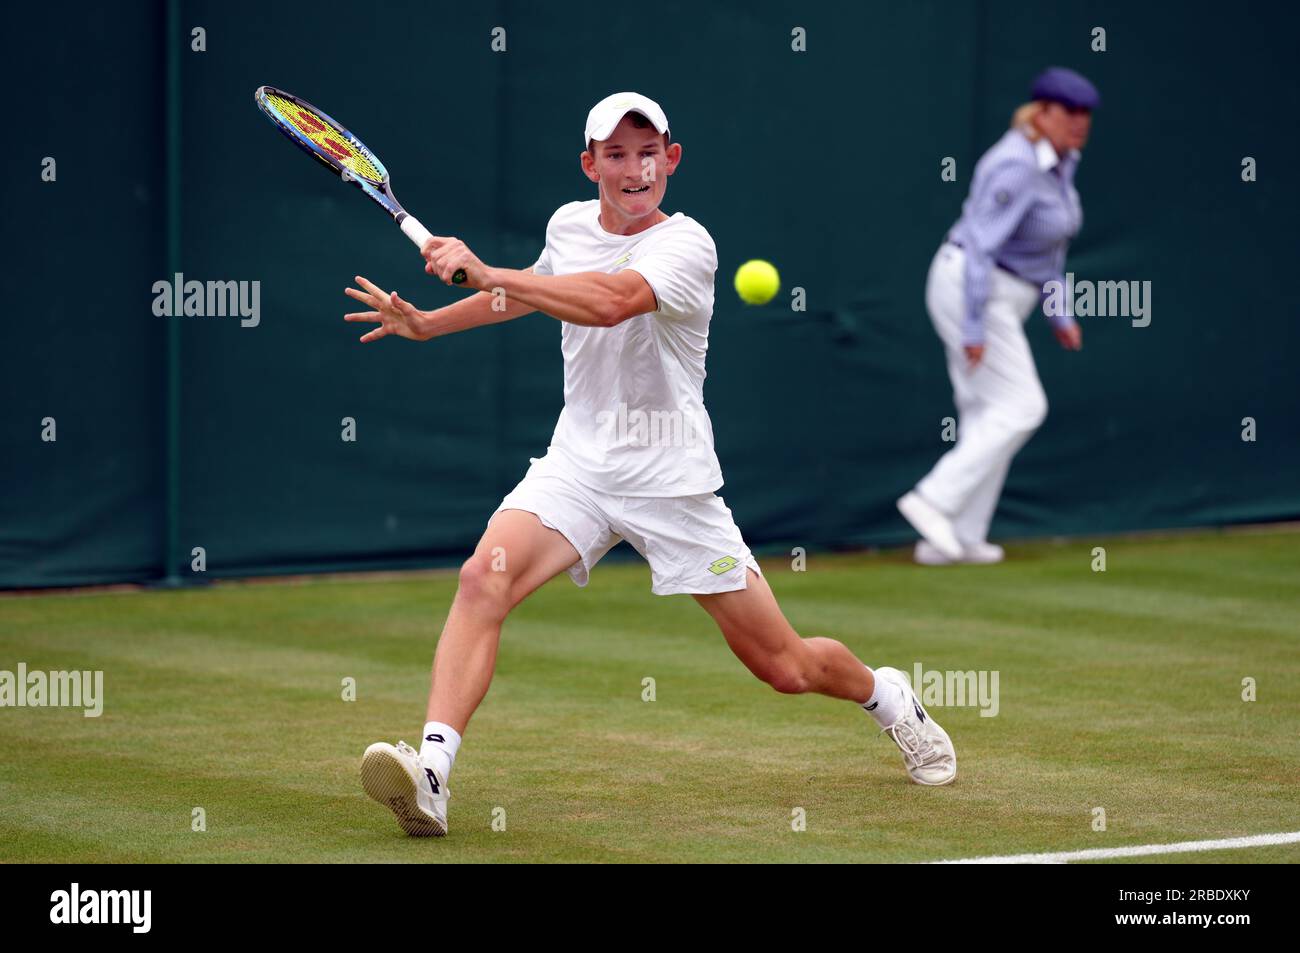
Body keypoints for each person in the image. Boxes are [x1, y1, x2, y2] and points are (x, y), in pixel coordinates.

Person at [343, 92, 956, 837]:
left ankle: (888, 697)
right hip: (579, 464)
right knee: (483, 577)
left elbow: (606, 301)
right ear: (590, 163)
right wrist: (432, 321)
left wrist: (482, 267)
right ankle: (433, 773)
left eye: (647, 152)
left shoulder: (688, 245)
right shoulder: (568, 226)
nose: (633, 169)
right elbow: (532, 290)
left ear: (670, 160)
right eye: (615, 153)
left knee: (785, 666)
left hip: (673, 482)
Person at [898, 67, 1097, 566]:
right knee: (1023, 406)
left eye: (1086, 114)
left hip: (1004, 294)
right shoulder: (1016, 164)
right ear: (1042, 112)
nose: (1080, 123)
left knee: (985, 412)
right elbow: (983, 249)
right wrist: (972, 327)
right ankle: (932, 500)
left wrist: (1059, 314)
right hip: (971, 286)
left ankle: (959, 537)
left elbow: (1050, 252)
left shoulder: (1061, 161)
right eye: (1070, 112)